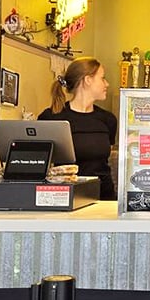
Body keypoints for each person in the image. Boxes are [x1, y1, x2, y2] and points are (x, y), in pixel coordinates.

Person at [38, 57, 118, 200]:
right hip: (64, 196)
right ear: (88, 80)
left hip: (103, 197)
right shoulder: (51, 117)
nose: (107, 83)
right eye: (103, 78)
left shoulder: (108, 119)